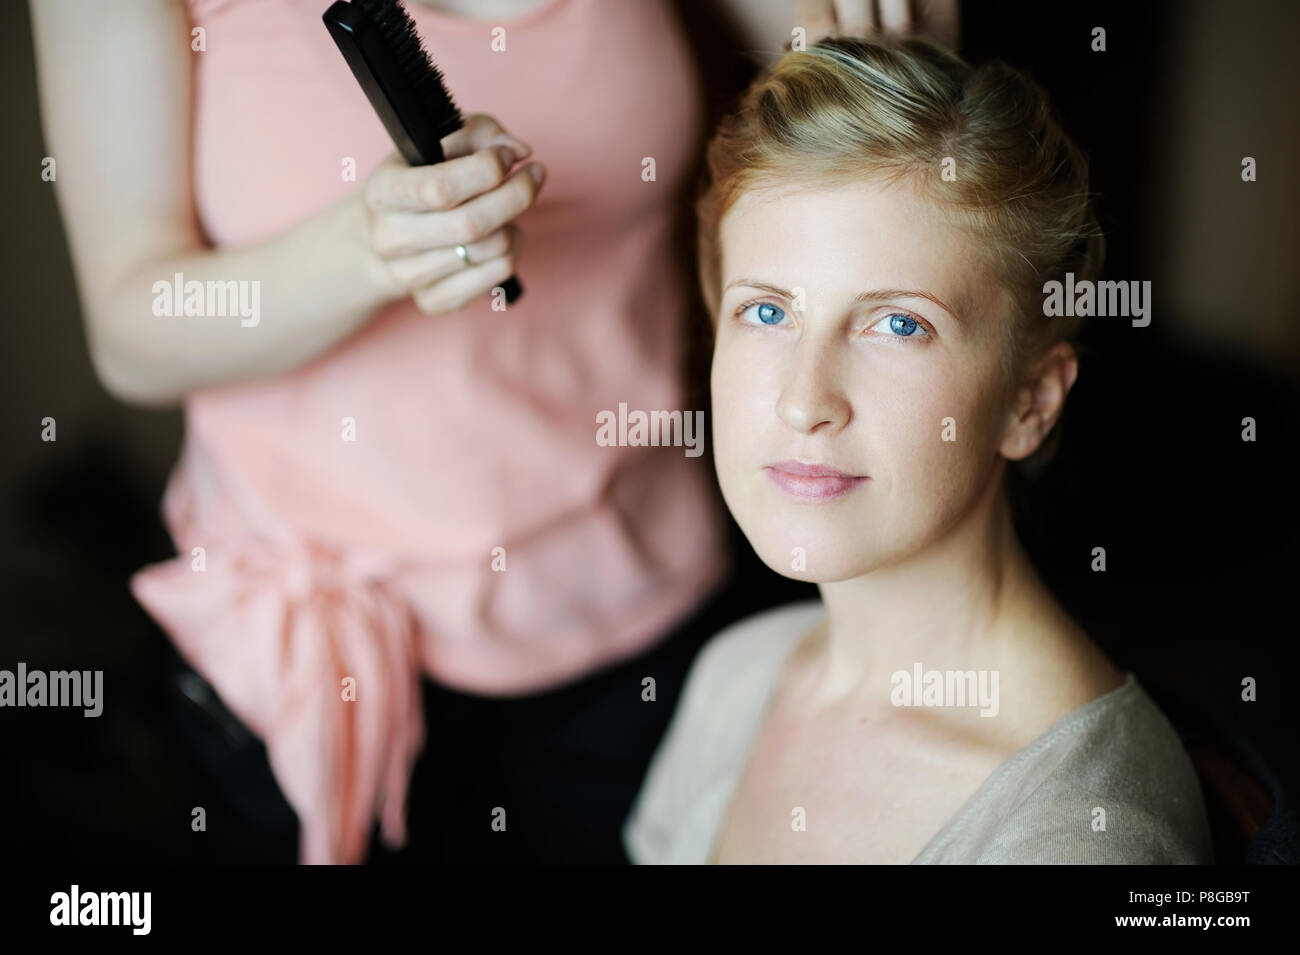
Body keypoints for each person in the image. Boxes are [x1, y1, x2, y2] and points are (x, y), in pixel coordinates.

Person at [623, 35, 1215, 864]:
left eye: (900, 324)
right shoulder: (737, 676)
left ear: (1029, 402)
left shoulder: (1075, 829)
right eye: (766, 313)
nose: (803, 400)